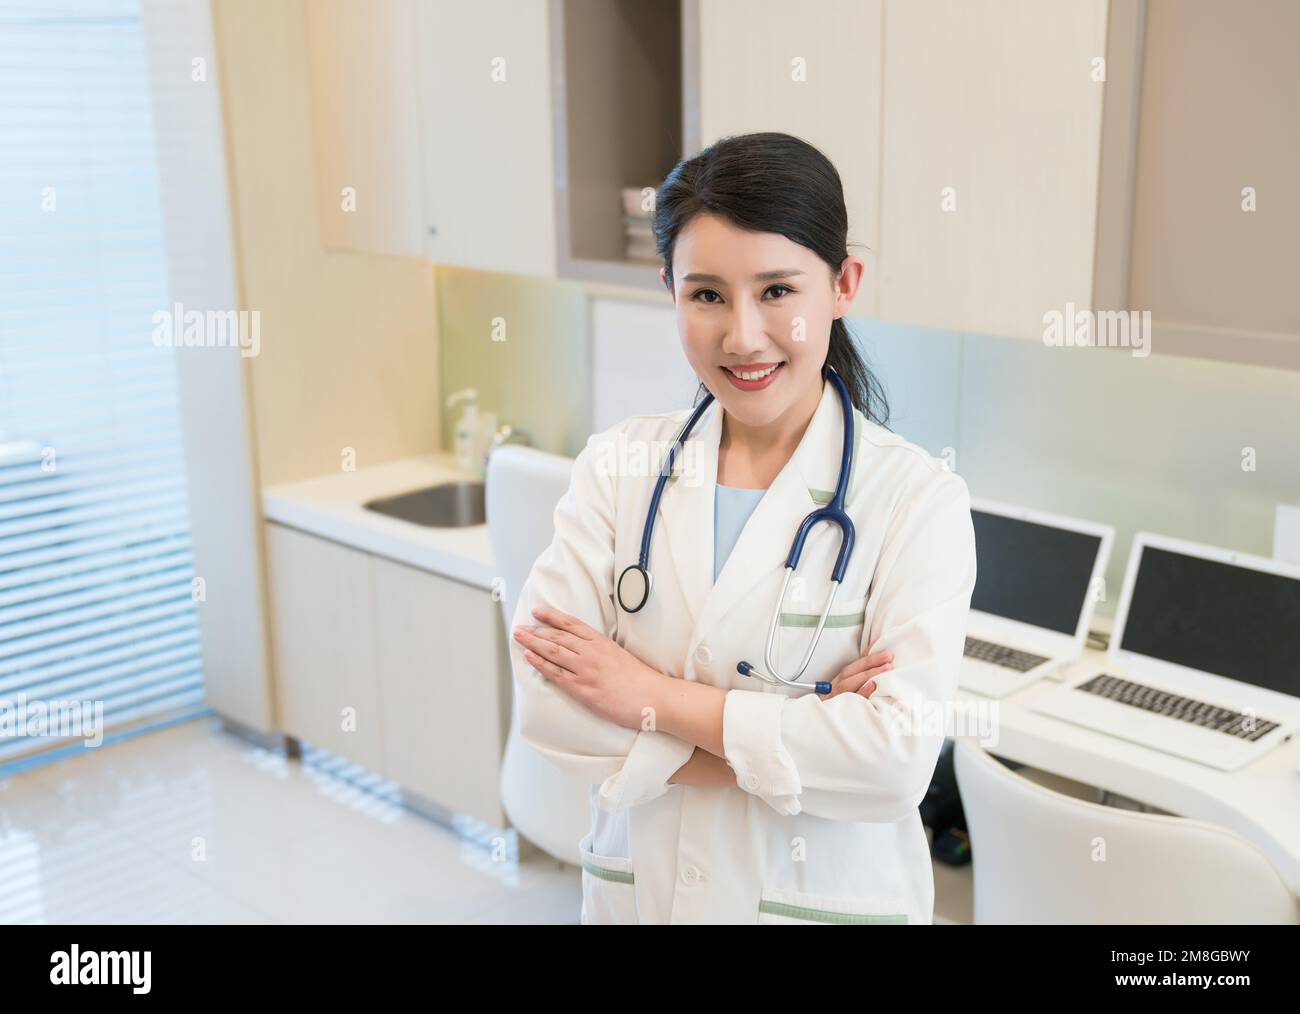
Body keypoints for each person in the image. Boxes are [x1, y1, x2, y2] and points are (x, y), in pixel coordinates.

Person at [509, 132, 977, 924]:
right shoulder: (618, 468)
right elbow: (550, 711)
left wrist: (643, 695)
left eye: (778, 291)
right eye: (707, 294)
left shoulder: (915, 500)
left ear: (843, 284)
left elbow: (895, 766)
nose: (743, 337)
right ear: (670, 291)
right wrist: (798, 734)